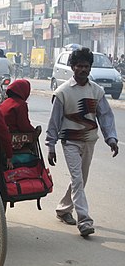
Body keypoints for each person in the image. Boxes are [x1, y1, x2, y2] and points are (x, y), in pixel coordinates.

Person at [45, 47, 119, 237]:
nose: (83, 70)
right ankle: (84, 220)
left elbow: (105, 117)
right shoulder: (62, 92)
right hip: (70, 141)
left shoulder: (97, 91)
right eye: (79, 66)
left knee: (81, 179)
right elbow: (55, 121)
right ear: (72, 67)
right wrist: (51, 145)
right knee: (77, 179)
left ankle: (63, 209)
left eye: (86, 66)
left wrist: (111, 139)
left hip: (89, 141)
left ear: (90, 68)